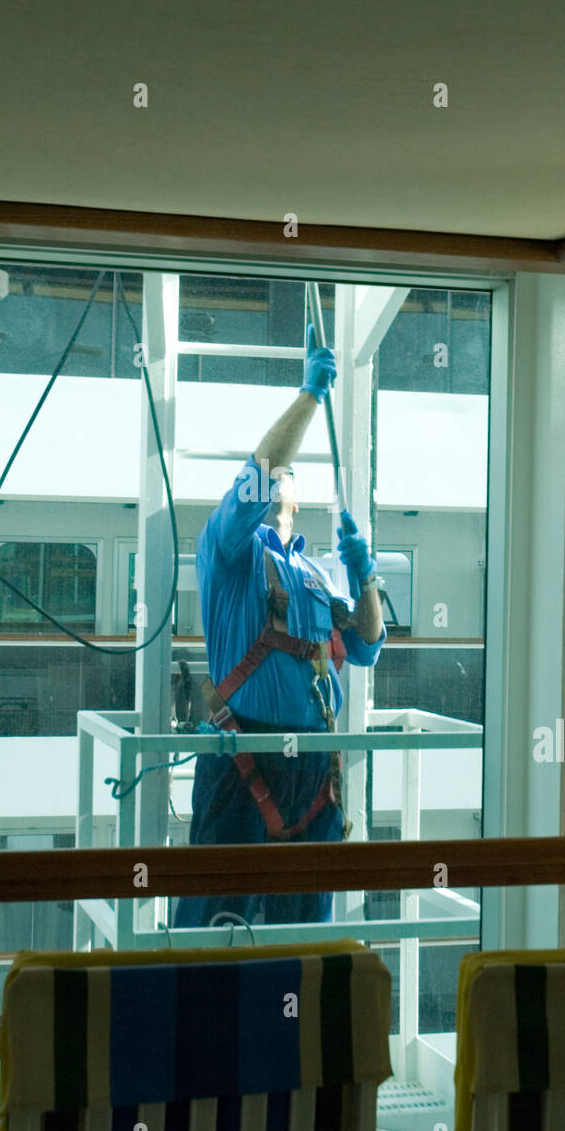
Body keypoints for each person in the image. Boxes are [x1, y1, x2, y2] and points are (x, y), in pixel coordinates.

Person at [174, 326, 385, 928]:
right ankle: (203, 1017)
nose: (274, 480)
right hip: (244, 753)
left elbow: (368, 644)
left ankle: (298, 1017)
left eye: (285, 478)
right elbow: (259, 472)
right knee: (217, 921)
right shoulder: (229, 552)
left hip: (315, 765)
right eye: (273, 475)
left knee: (305, 930)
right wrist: (310, 396)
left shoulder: (318, 574)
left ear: (297, 497)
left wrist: (364, 574)